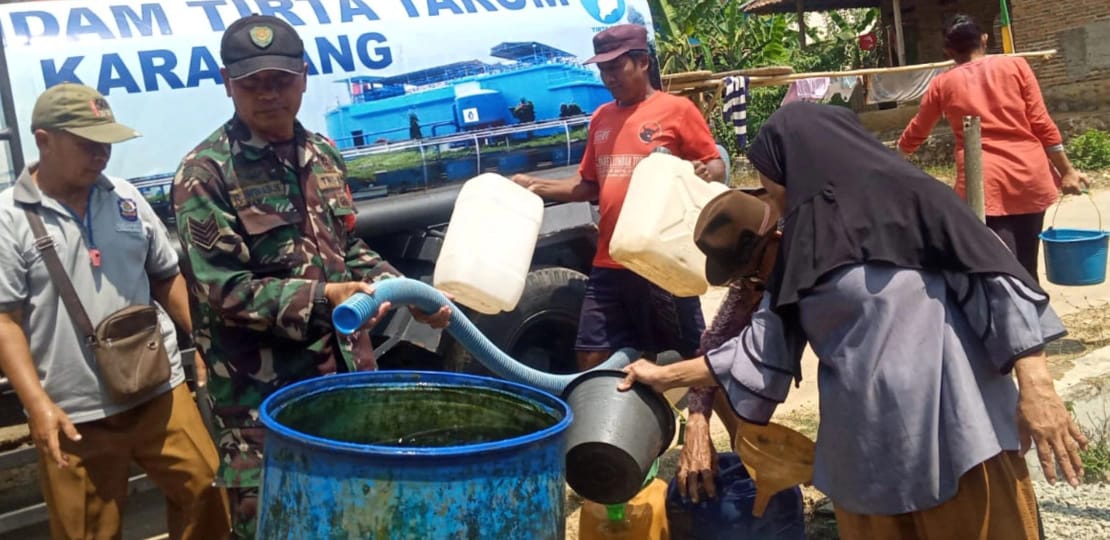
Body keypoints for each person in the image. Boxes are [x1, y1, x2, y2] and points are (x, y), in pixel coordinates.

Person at [620, 102, 1088, 540]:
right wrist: (664, 377)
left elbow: (997, 283)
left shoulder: (916, 197)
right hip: (866, 448)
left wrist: (1039, 390)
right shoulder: (801, 245)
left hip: (955, 428)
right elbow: (757, 350)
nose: (777, 196)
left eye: (773, 180)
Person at [171, 15, 450, 538]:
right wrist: (326, 298)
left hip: (348, 385)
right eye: (252, 84)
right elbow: (225, 289)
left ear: (303, 76)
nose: (268, 95)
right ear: (228, 84)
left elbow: (345, 246)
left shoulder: (322, 154)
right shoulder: (205, 174)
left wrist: (405, 289)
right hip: (266, 407)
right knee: (282, 525)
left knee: (365, 519)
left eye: (279, 80)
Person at [0, 83, 231, 539]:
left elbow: (167, 278)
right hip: (74, 412)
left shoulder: (124, 198)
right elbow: (5, 321)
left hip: (158, 391)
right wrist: (38, 406)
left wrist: (205, 343)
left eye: (106, 142)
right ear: (43, 140)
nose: (101, 154)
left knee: (207, 493)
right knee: (86, 529)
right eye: (87, 144)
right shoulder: (10, 219)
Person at [512, 23, 728, 499]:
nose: (608, 77)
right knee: (593, 357)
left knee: (702, 361)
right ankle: (623, 447)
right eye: (602, 69)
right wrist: (536, 186)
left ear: (642, 61)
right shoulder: (601, 119)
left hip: (661, 264)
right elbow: (588, 185)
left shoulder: (676, 110)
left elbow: (714, 165)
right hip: (609, 263)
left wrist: (702, 169)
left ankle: (727, 445)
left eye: (616, 67)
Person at [899, 14, 1090, 280]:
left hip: (983, 182)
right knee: (1026, 266)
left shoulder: (943, 84)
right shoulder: (1016, 67)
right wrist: (1067, 170)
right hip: (1028, 175)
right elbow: (1041, 122)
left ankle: (1014, 317)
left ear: (948, 51)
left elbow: (917, 131)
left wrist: (893, 156)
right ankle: (1032, 316)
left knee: (1002, 271)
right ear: (985, 39)